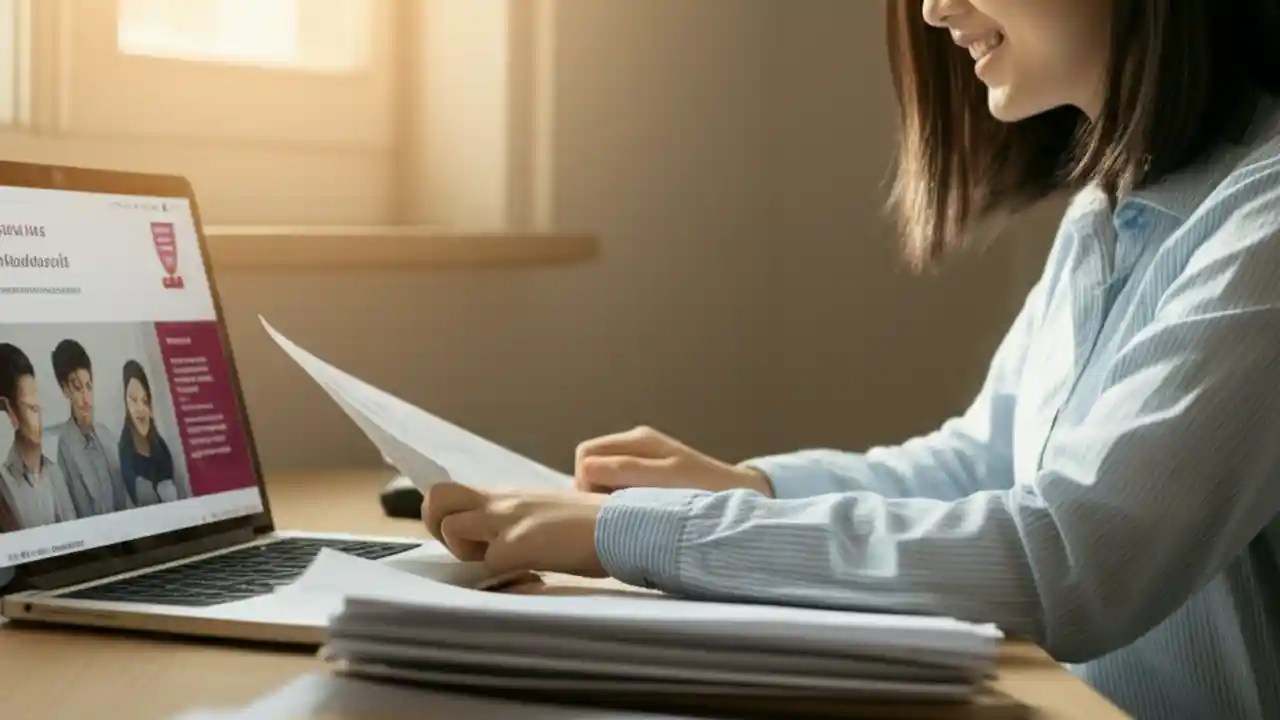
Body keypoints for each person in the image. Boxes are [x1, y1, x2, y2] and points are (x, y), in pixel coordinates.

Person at [422, 1, 1280, 718]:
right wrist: (752, 490)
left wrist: (635, 535)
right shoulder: (1114, 205)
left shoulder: (1266, 219)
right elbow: (980, 465)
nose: (936, 8)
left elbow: (1071, 554)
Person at [0, 343, 78, 529]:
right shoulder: (5, 486)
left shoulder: (54, 473)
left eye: (38, 407)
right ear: (10, 410)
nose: (40, 418)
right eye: (32, 408)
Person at [52, 340, 131, 517]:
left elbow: (124, 494)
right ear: (65, 390)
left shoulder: (106, 434)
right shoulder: (64, 446)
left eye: (89, 386)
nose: (86, 398)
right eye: (78, 388)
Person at [118, 360, 184, 506]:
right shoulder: (125, 452)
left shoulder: (160, 446)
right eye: (133, 400)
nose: (140, 408)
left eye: (145, 400)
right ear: (125, 404)